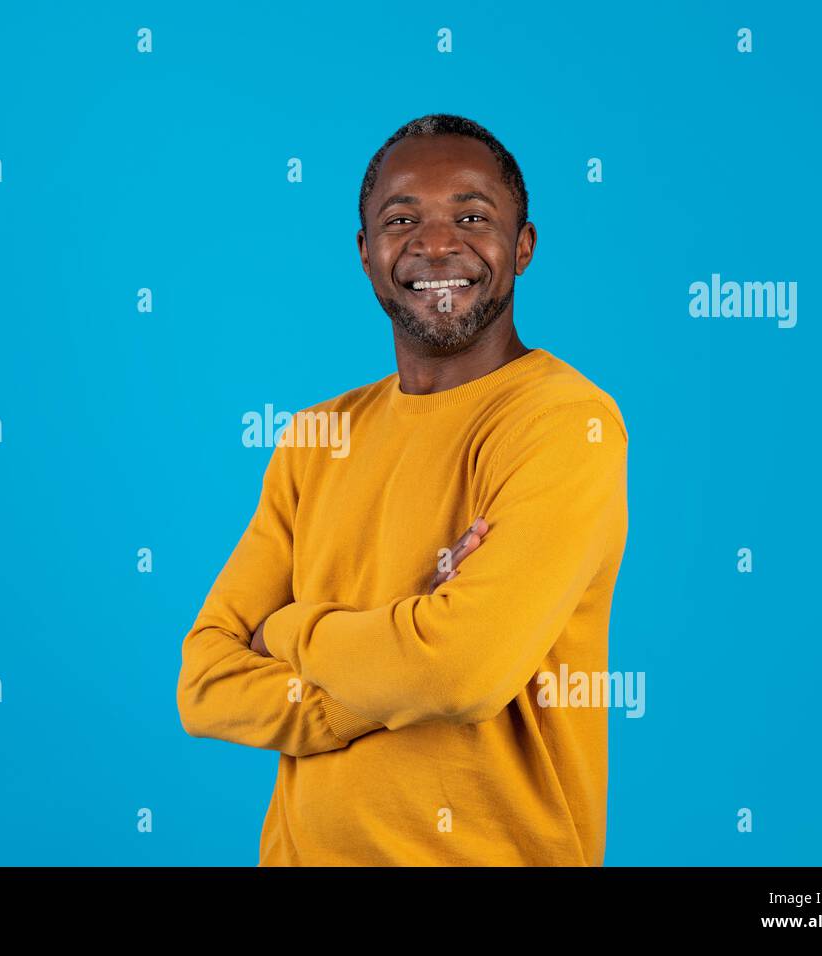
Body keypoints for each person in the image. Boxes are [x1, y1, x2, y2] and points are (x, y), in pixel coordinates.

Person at [177, 113, 629, 866]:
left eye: (472, 215)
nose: (437, 244)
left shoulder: (562, 424)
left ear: (523, 246)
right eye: (401, 218)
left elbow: (456, 672)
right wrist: (400, 652)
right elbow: (206, 680)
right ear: (365, 253)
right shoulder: (318, 436)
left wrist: (288, 633)